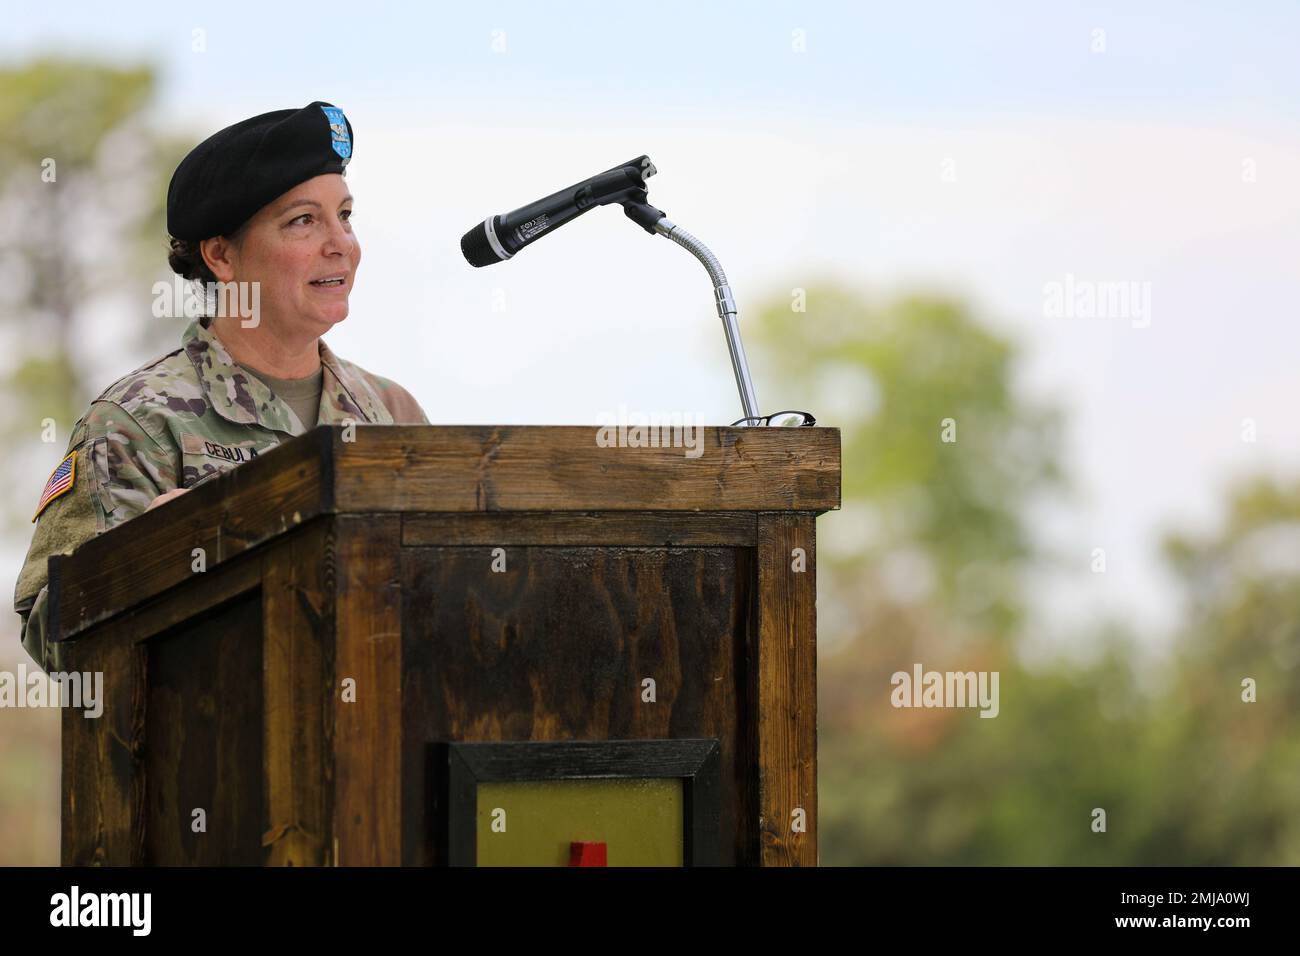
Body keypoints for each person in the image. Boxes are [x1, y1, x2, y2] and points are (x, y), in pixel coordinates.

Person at [13, 100, 428, 671]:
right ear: (220, 255)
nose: (342, 244)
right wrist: (156, 558)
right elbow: (55, 644)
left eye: (346, 215)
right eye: (304, 221)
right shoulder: (138, 422)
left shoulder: (391, 411)